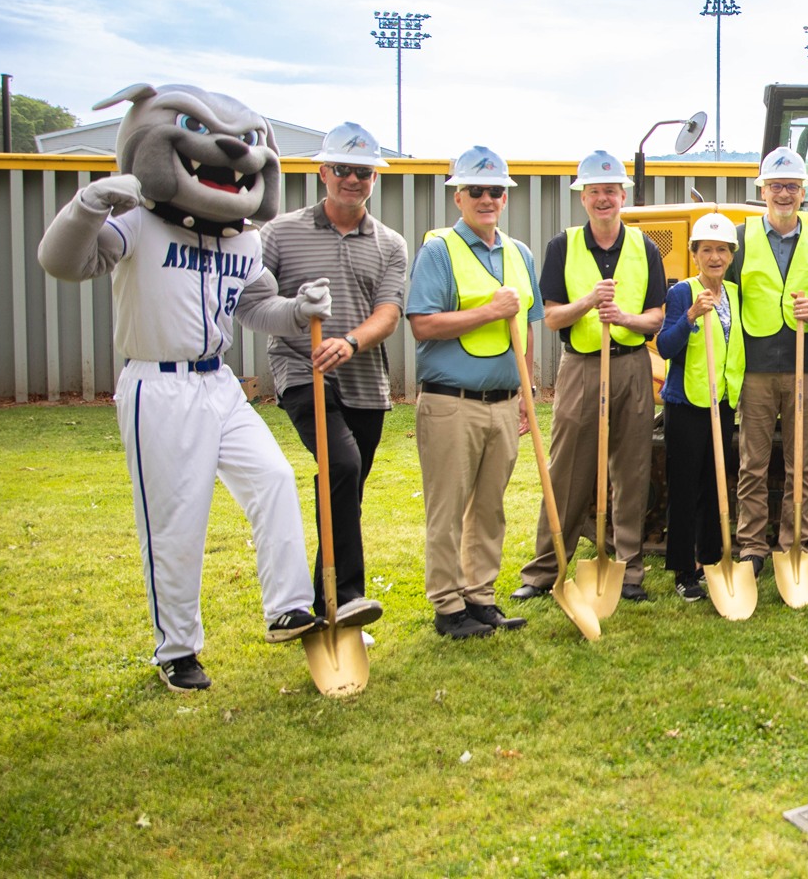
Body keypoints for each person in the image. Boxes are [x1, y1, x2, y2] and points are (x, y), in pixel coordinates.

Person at [35, 82, 330, 692]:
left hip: (217, 381)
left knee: (273, 478)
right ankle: (177, 650)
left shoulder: (242, 238)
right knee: (175, 520)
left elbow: (255, 309)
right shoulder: (137, 225)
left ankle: (287, 607)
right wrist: (87, 206)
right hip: (156, 383)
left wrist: (298, 309)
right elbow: (63, 263)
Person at [261, 123, 400, 642]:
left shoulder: (389, 243)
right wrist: (298, 314)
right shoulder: (279, 233)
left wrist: (350, 342)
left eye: (362, 172)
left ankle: (325, 607)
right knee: (340, 463)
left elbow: (388, 312)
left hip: (364, 377)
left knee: (344, 487)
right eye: (341, 169)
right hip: (302, 370)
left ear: (372, 179)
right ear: (323, 172)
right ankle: (348, 597)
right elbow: (255, 305)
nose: (352, 179)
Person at [512, 151, 666, 605]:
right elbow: (552, 316)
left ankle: (628, 569)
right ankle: (545, 568)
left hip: (632, 364)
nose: (603, 199)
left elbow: (656, 318)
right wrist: (587, 303)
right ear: (583, 198)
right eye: (594, 191)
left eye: (610, 191)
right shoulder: (564, 245)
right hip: (581, 364)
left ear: (623, 196)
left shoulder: (645, 247)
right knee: (566, 466)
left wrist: (623, 316)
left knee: (633, 467)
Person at [406, 146, 543, 638]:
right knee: (447, 508)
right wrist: (488, 310)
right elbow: (422, 324)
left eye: (497, 192)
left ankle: (480, 596)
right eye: (477, 191)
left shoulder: (520, 253)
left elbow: (527, 329)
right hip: (451, 403)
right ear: (458, 196)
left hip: (504, 404)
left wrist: (527, 395)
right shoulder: (439, 251)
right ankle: (447, 606)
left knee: (490, 506)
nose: (488, 199)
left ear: (505, 198)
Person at [727, 147, 808, 576]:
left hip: (804, 367)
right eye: (776, 186)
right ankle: (752, 547)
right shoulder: (739, 238)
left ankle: (795, 543)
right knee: (752, 463)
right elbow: (728, 301)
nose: (784, 193)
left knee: (799, 464)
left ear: (803, 192)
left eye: (792, 186)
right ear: (763, 190)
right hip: (755, 368)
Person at [656, 212, 744, 603]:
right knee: (685, 485)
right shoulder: (681, 294)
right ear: (694, 254)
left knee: (715, 483)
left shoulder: (735, 294)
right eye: (706, 249)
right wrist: (691, 316)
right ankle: (682, 569)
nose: (714, 257)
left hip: (721, 402)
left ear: (731, 255)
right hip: (687, 402)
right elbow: (664, 347)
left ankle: (710, 558)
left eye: (722, 250)